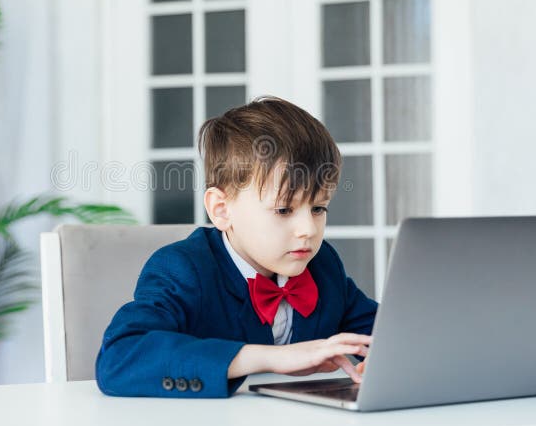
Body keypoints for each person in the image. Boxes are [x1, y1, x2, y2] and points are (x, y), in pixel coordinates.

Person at [96, 96, 378, 398]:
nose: (308, 230)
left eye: (319, 208)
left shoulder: (323, 265)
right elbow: (119, 359)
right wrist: (270, 358)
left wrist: (380, 357)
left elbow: (384, 332)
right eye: (283, 210)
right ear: (221, 209)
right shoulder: (182, 269)